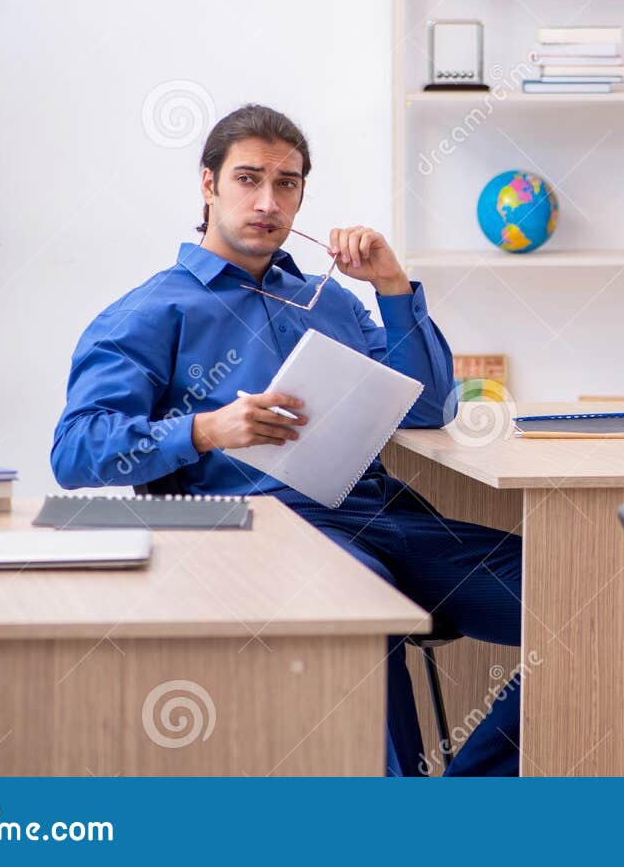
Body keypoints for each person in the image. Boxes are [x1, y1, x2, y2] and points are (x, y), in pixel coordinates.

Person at [50, 103, 520, 776]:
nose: (268, 202)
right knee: (363, 606)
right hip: (263, 534)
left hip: (380, 520)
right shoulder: (151, 312)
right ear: (208, 184)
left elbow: (431, 408)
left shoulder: (332, 301)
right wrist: (207, 429)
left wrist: (392, 286)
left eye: (288, 183)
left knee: (592, 603)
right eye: (248, 179)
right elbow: (75, 452)